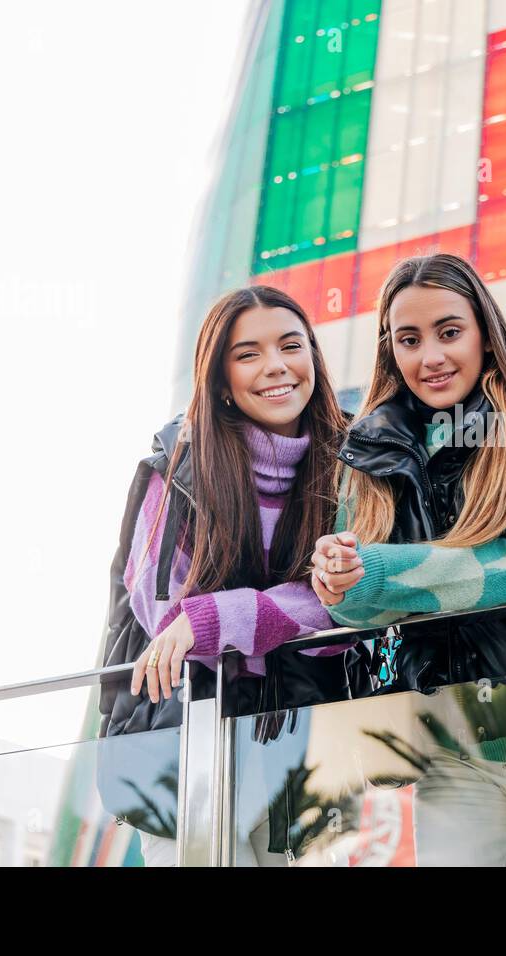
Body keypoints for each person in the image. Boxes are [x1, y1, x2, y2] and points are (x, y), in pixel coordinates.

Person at [309, 253, 506, 866]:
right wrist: (337, 581)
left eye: (449, 332)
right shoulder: (370, 453)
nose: (430, 356)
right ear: (391, 352)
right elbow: (357, 615)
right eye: (409, 339)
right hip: (450, 745)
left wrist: (375, 572)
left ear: (485, 334)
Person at [121, 285, 350, 866]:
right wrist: (280, 616)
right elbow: (164, 613)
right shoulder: (178, 464)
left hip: (296, 753)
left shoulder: (352, 464)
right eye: (248, 354)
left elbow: (349, 601)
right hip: (181, 745)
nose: (275, 367)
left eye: (290, 346)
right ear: (221, 379)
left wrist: (220, 617)